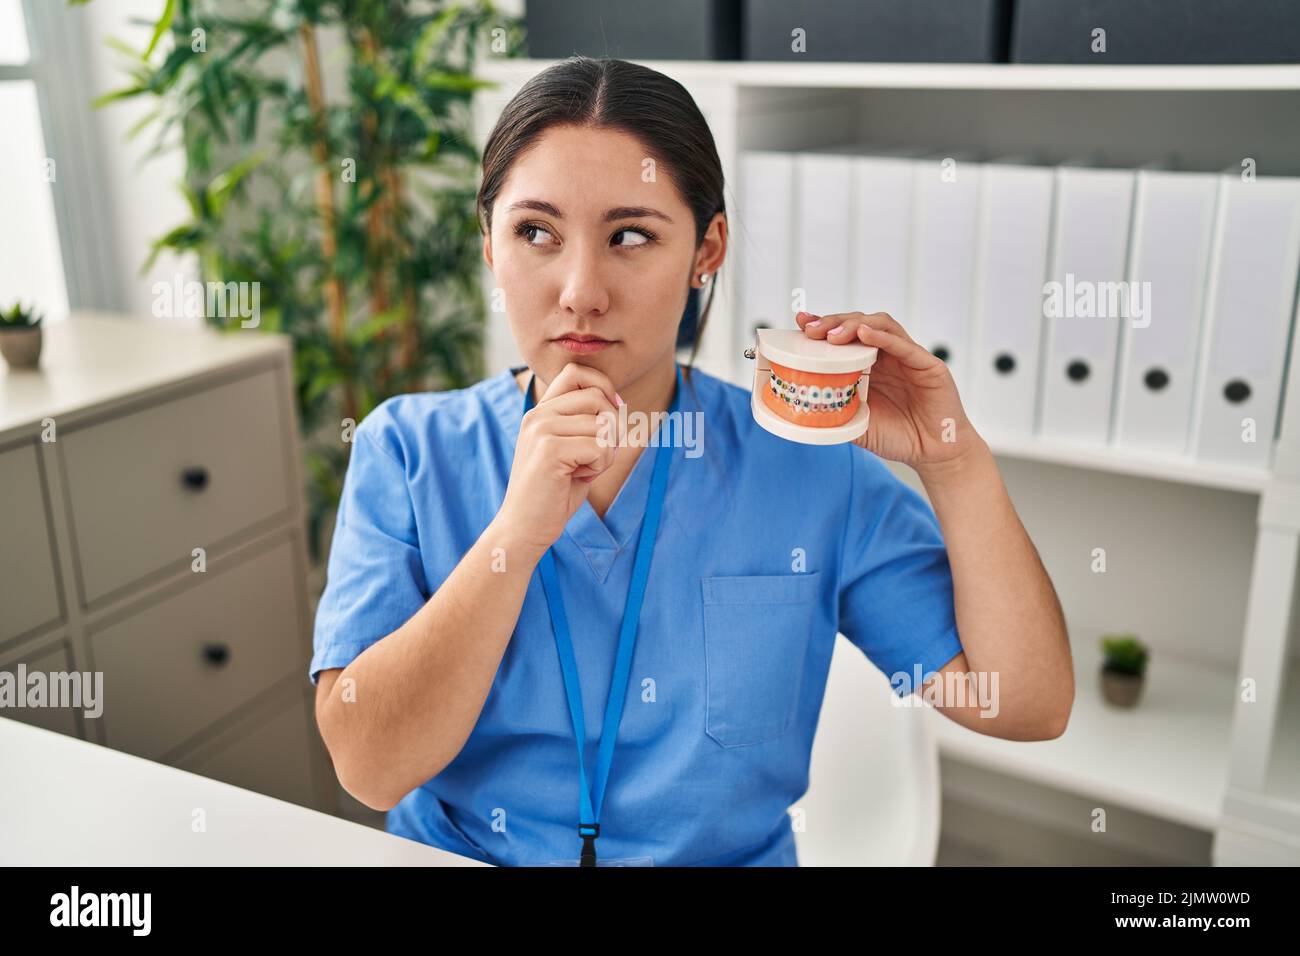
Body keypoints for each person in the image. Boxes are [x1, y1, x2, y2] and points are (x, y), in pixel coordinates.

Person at [310, 56, 1073, 867]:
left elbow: (1024, 703)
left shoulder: (807, 465)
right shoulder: (407, 449)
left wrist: (953, 462)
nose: (580, 290)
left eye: (629, 235)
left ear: (707, 249)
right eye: (536, 232)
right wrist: (517, 535)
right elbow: (370, 769)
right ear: (491, 248)